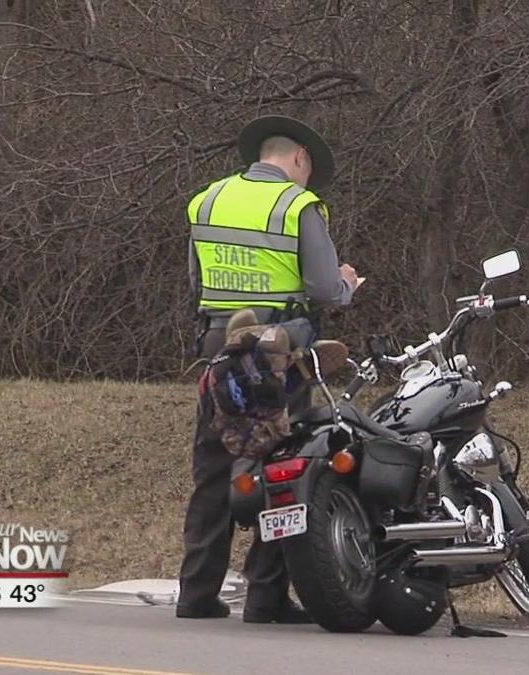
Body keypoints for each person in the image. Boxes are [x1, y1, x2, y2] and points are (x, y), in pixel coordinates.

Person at [176, 115, 361, 623]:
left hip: (220, 346)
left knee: (213, 469)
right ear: (299, 157)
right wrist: (347, 283)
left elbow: (196, 283)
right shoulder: (298, 206)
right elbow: (325, 290)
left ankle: (195, 595)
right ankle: (265, 597)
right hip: (281, 354)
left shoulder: (207, 199)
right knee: (282, 469)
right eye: (309, 169)